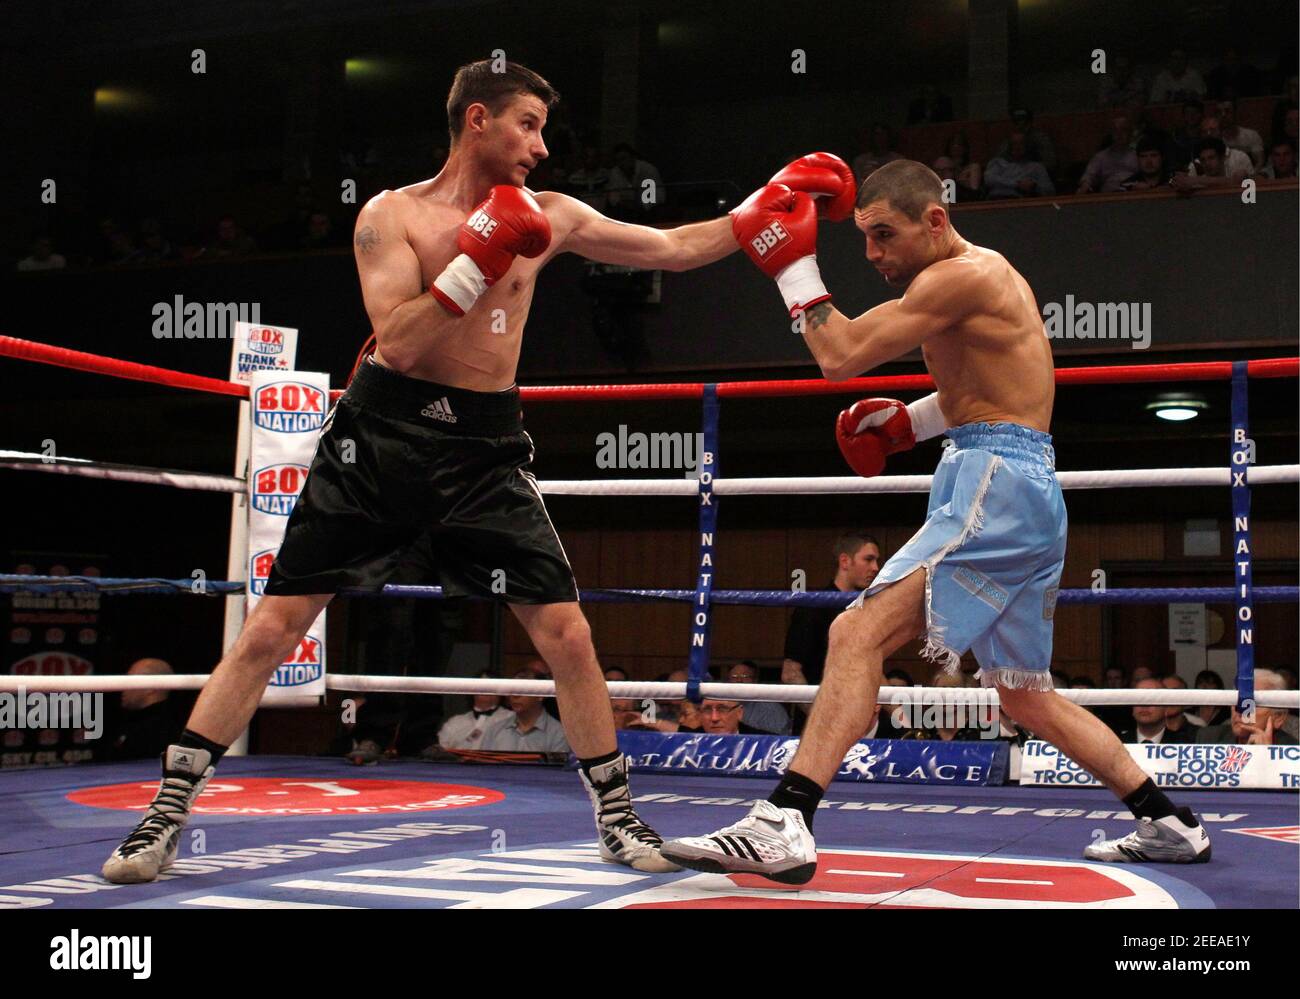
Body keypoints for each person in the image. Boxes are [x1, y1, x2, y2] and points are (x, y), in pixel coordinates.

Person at [102, 58, 801, 884]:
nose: (541, 147)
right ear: (477, 119)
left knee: (568, 633)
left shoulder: (554, 215)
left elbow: (673, 247)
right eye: (528, 125)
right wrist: (475, 261)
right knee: (271, 626)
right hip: (381, 435)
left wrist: (763, 207)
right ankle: (164, 815)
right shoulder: (390, 215)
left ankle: (617, 819)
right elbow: (398, 342)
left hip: (484, 446)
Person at [662, 159, 1211, 882]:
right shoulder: (986, 277)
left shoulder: (957, 278)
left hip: (993, 485)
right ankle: (1169, 821)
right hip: (1021, 484)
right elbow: (989, 389)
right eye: (863, 238)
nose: (872, 253)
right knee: (1024, 693)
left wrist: (791, 265)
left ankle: (784, 820)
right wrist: (909, 425)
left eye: (884, 234)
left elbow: (839, 355)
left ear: (935, 219)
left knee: (854, 632)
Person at [781, 531, 881, 733]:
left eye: (876, 561)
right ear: (845, 561)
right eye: (868, 559)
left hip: (857, 723)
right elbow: (791, 674)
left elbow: (871, 667)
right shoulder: (813, 607)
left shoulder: (865, 609)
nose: (875, 568)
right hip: (818, 729)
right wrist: (824, 720)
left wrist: (902, 717)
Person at [1195, 670, 1297, 745]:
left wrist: (1266, 757)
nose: (1240, 711)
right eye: (1237, 701)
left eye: (1250, 703)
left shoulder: (1293, 750)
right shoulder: (1208, 738)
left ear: (1278, 717)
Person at [1117, 678, 1193, 744]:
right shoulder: (1117, 743)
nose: (1144, 705)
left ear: (1166, 707)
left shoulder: (1183, 744)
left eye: (1152, 699)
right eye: (1139, 698)